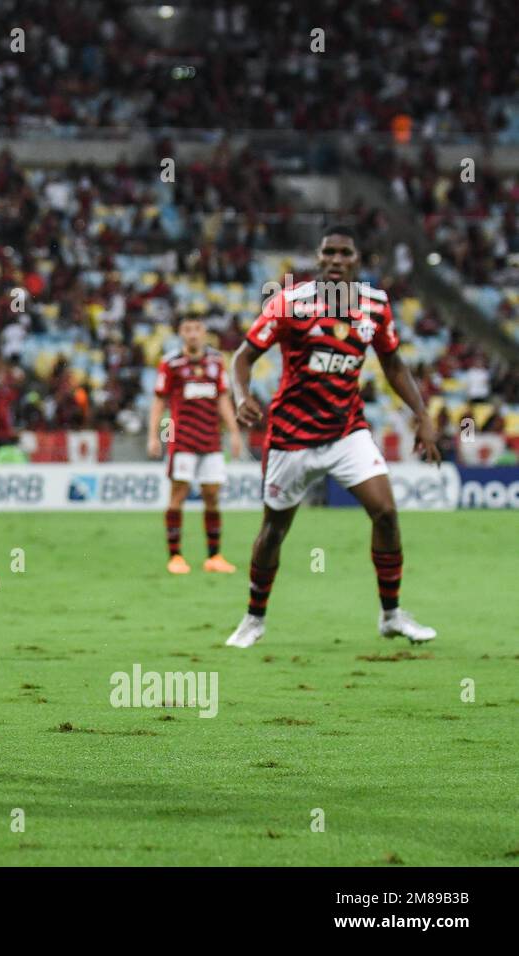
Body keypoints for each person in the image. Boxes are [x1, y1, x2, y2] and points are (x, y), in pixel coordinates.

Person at [225, 223, 439, 648]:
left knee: (386, 513)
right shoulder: (290, 302)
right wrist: (241, 395)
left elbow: (394, 365)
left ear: (358, 260)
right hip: (291, 437)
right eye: (329, 252)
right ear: (318, 257)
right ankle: (254, 618)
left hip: (347, 432)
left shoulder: (375, 306)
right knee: (274, 530)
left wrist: (422, 414)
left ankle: (392, 615)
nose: (337, 260)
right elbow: (242, 358)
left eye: (345, 253)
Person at [147, 314, 242, 574]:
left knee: (212, 495)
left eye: (197, 328)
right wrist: (153, 435)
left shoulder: (216, 361)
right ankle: (175, 556)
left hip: (211, 439)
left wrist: (234, 433)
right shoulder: (171, 363)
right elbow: (159, 401)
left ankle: (214, 556)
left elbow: (223, 398)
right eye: (188, 329)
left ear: (204, 332)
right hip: (182, 440)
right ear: (181, 332)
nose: (192, 334)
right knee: (178, 494)